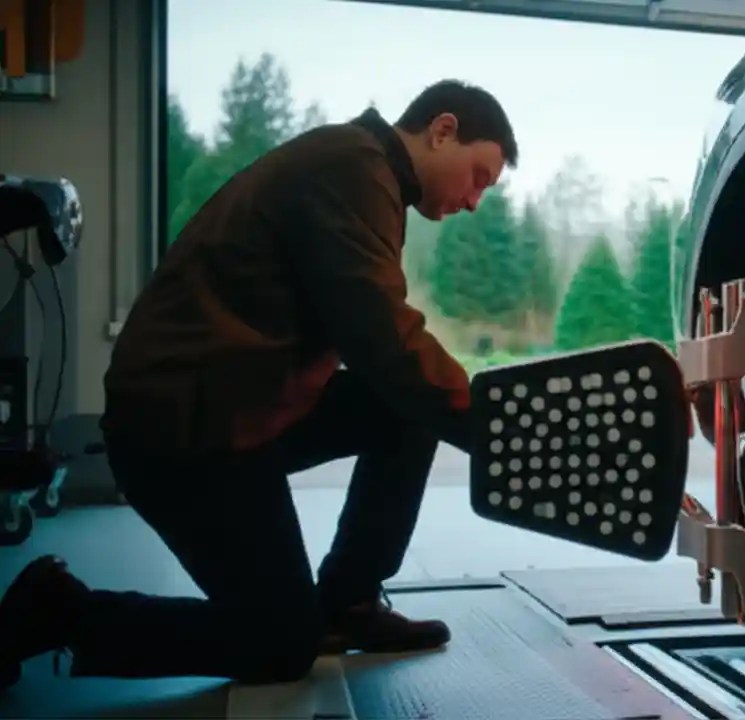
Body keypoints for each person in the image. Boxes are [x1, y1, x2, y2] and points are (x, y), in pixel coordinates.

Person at [0, 79, 518, 687]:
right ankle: (63, 610)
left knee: (400, 409)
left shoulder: (364, 172)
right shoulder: (351, 168)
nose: (476, 200)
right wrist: (501, 435)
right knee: (278, 645)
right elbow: (383, 339)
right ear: (444, 129)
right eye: (480, 176)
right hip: (184, 434)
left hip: (242, 405)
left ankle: (348, 604)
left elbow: (380, 348)